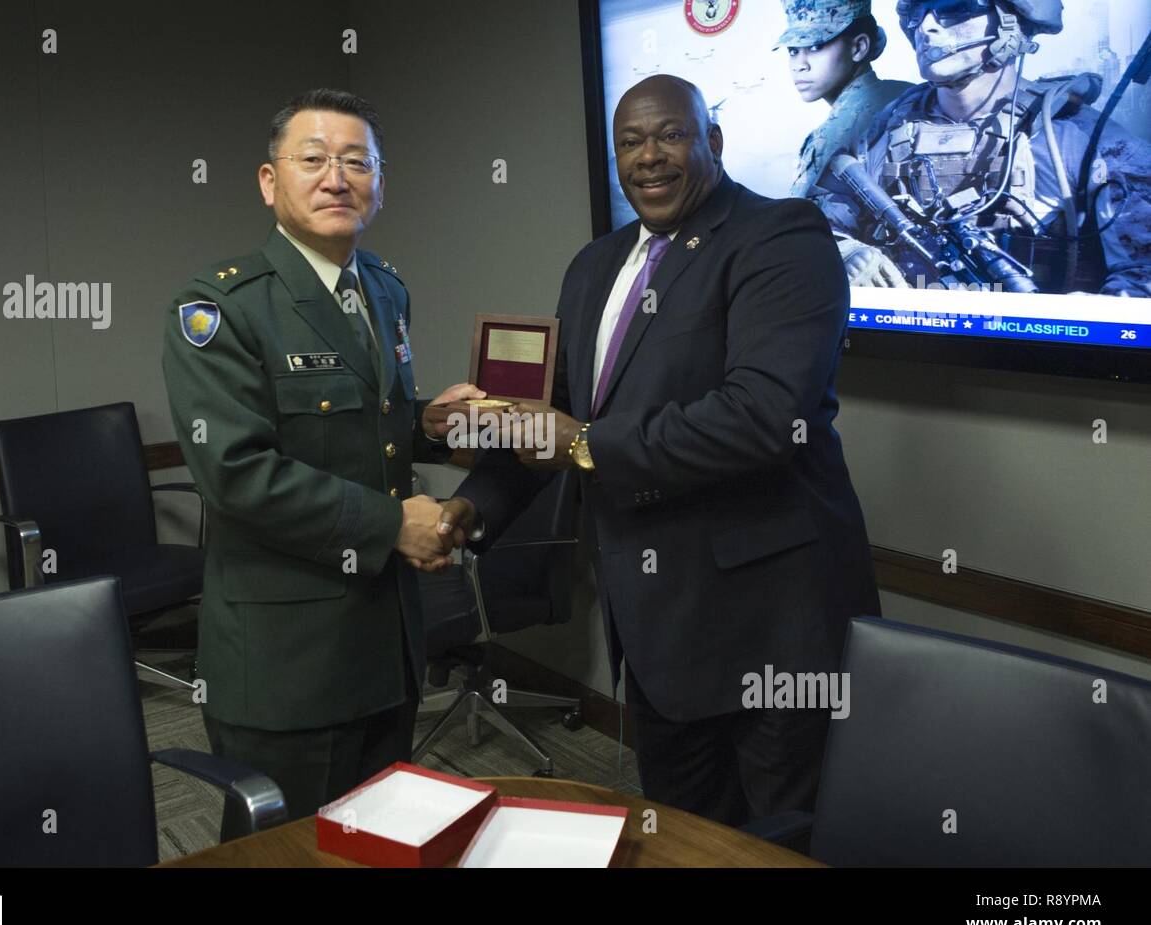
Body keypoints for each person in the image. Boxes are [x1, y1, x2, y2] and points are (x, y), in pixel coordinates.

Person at [434, 75, 880, 827]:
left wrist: (576, 441)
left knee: (782, 841)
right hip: (653, 632)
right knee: (683, 831)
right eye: (630, 141)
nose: (650, 157)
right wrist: (464, 503)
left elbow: (762, 418)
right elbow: (558, 414)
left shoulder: (783, 237)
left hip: (769, 630)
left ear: (713, 141)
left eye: (671, 134)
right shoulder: (594, 266)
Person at [161, 88, 481, 838]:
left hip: (387, 640)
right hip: (288, 659)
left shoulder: (384, 288)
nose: (336, 177)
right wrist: (391, 525)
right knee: (295, 854)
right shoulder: (220, 307)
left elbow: (367, 420)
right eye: (313, 159)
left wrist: (431, 422)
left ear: (379, 182)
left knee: (380, 842)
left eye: (356, 162)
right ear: (271, 182)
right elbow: (235, 472)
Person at [823, 0, 1151, 295]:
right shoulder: (886, 129)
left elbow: (1141, 281)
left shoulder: (1079, 139)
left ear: (1011, 21)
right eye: (917, 13)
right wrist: (847, 253)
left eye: (953, 7)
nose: (926, 27)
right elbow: (815, 228)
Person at [778, 0, 913, 199]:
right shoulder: (909, 94)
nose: (800, 65)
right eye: (793, 51)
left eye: (816, 47)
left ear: (859, 47)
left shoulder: (832, 136)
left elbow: (801, 222)